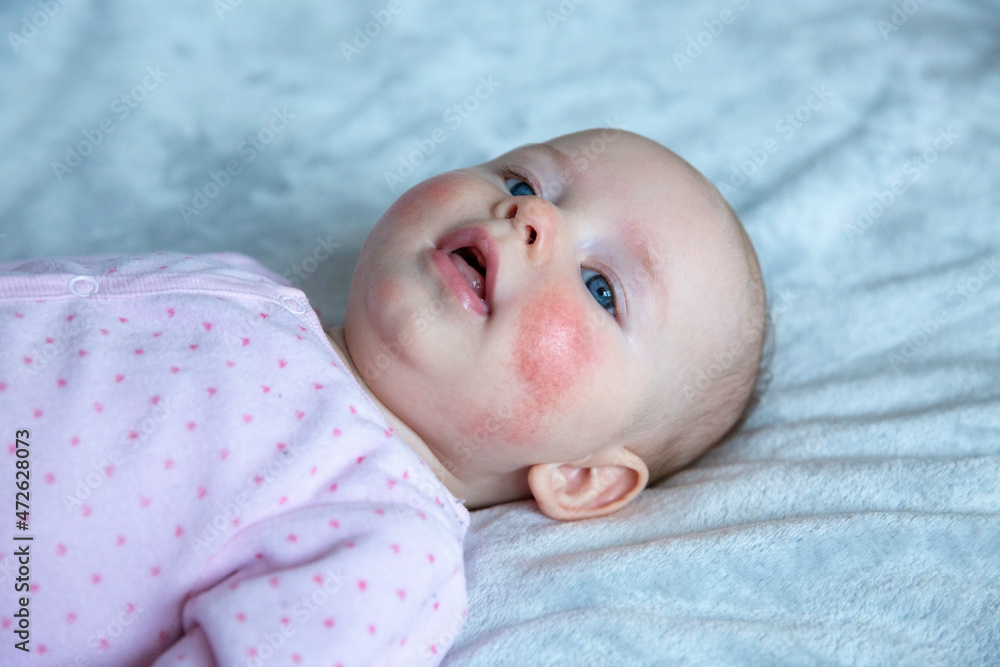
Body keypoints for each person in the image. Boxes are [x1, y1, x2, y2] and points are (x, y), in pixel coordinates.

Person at [0, 129, 766, 666]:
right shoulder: (252, 290)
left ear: (581, 475)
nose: (534, 216)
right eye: (523, 180)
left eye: (602, 287)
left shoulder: (385, 547)